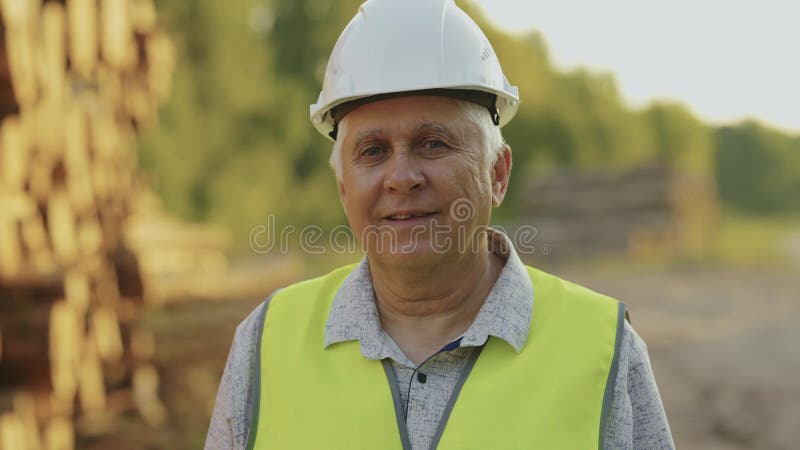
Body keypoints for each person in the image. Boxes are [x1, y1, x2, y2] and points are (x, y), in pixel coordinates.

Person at [205, 0, 674, 448]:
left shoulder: (603, 353)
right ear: (344, 187)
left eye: (433, 144)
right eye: (373, 151)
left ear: (497, 174)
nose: (401, 178)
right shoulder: (264, 347)